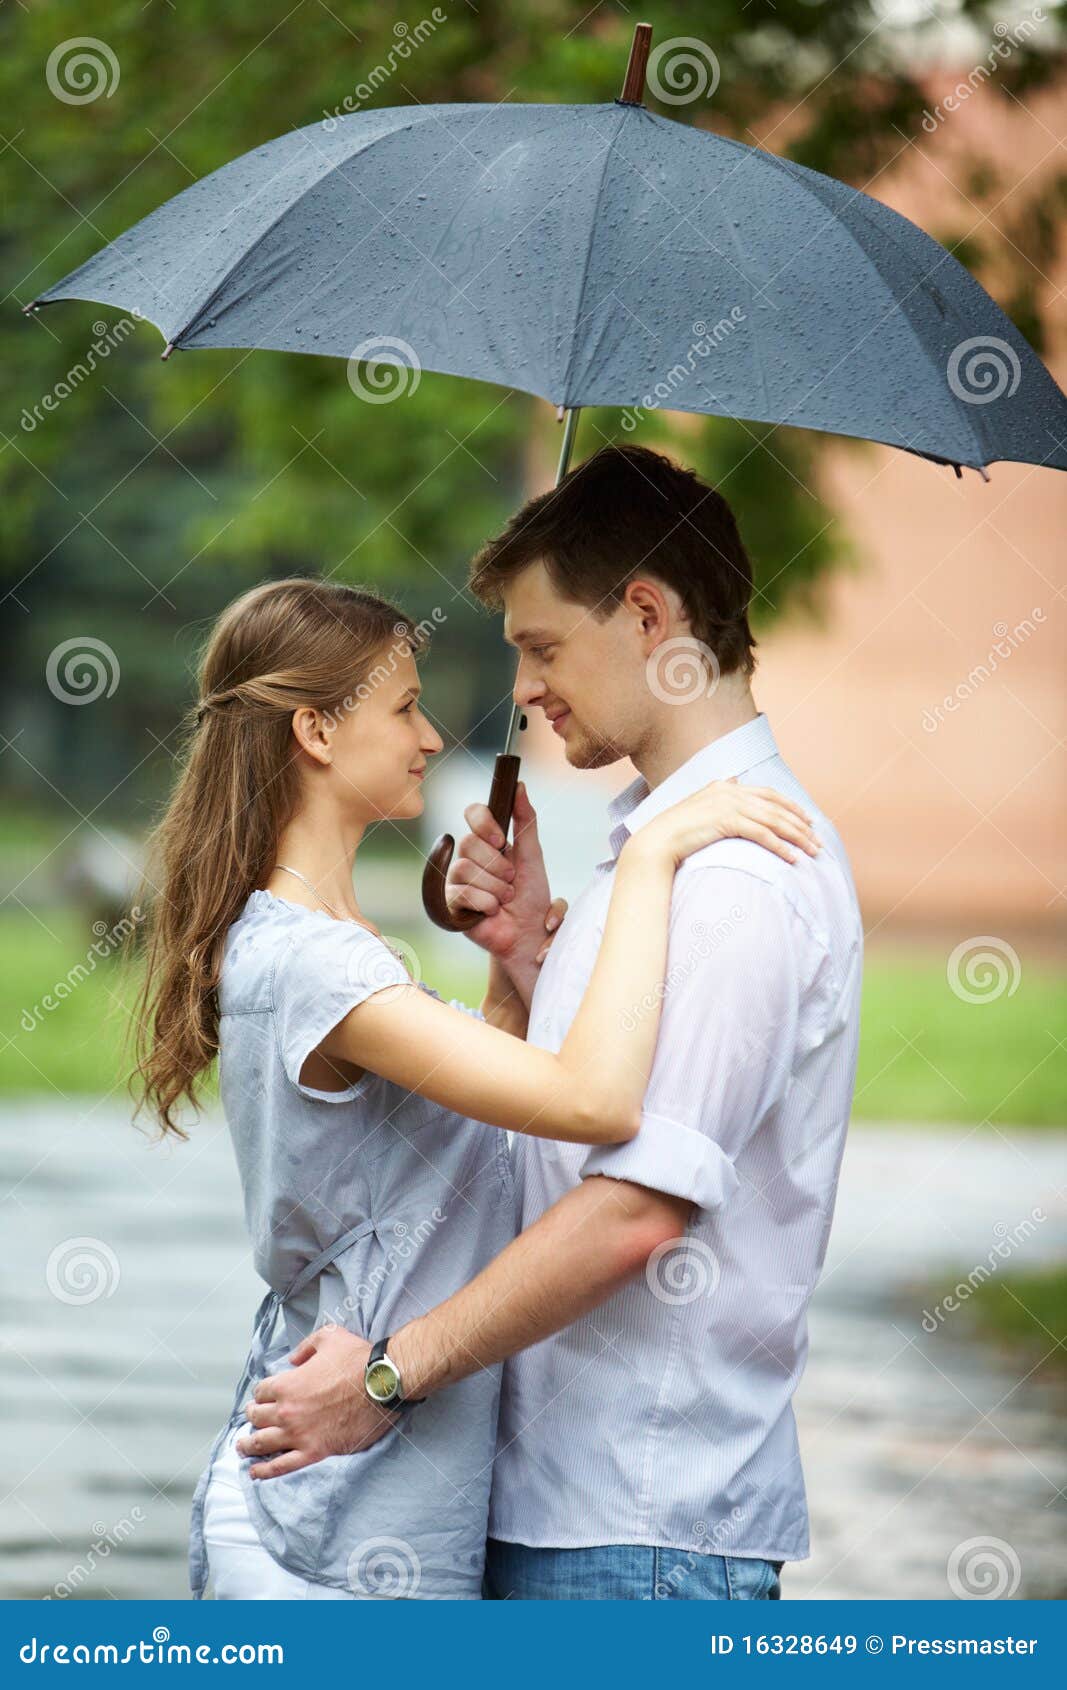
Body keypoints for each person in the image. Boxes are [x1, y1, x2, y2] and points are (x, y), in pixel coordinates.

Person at [241, 445, 865, 1603]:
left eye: (539, 647)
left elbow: (630, 1214)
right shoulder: (649, 855)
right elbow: (556, 1128)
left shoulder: (733, 877)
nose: (522, 689)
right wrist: (526, 958)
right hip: (565, 1511)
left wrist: (382, 1378)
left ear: (644, 614)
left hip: (633, 1530)